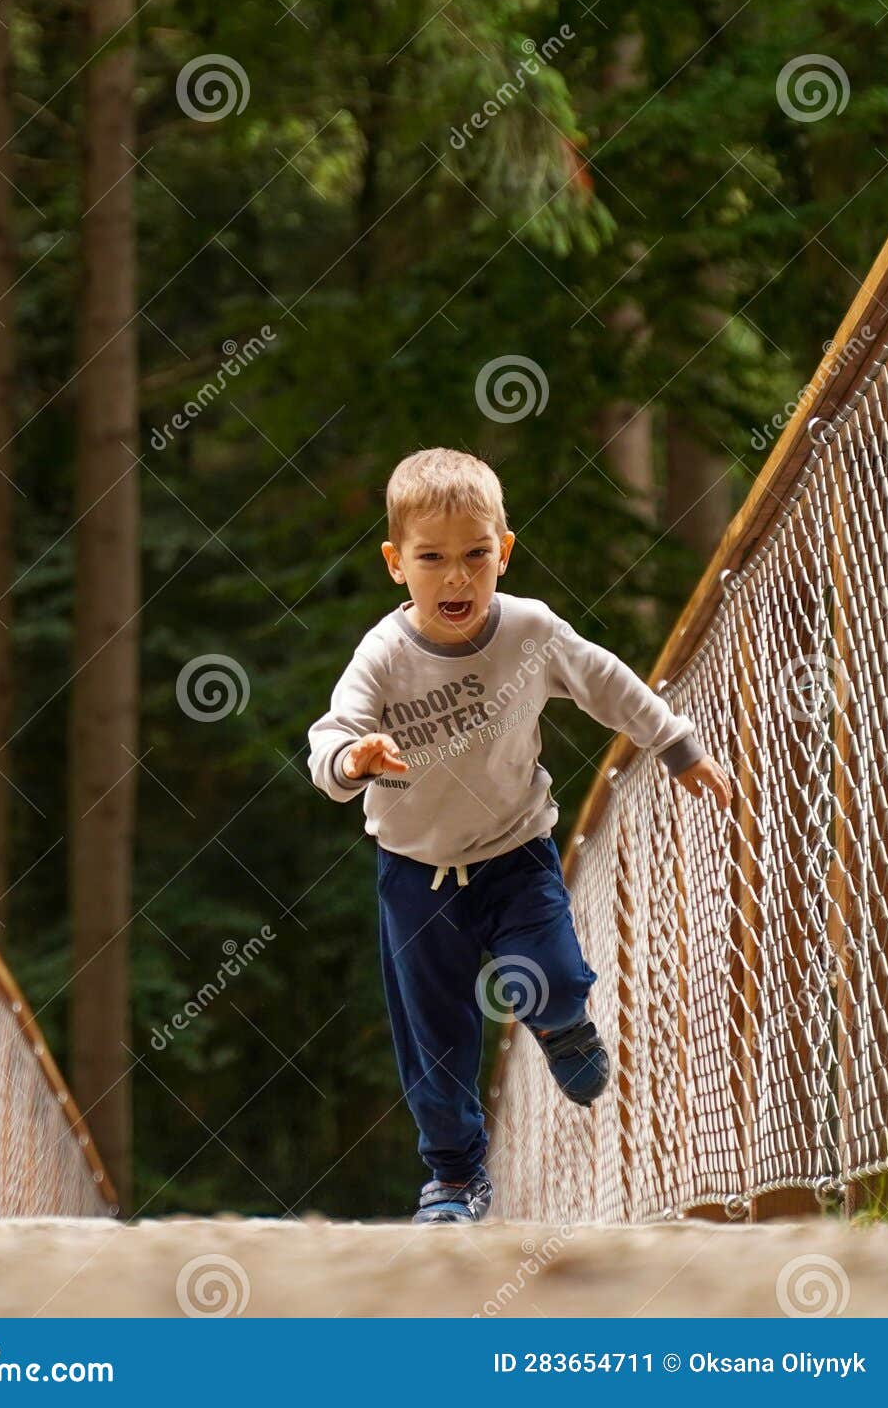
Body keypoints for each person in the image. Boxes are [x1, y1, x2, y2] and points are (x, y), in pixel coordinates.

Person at [307, 447, 732, 1225]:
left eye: (476, 555)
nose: (457, 577)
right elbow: (329, 736)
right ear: (397, 564)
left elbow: (605, 682)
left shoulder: (529, 629)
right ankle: (454, 1180)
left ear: (503, 550)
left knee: (556, 975)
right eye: (432, 559)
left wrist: (675, 744)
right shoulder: (383, 655)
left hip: (514, 853)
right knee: (435, 1039)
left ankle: (562, 1022)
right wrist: (351, 758)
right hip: (414, 874)